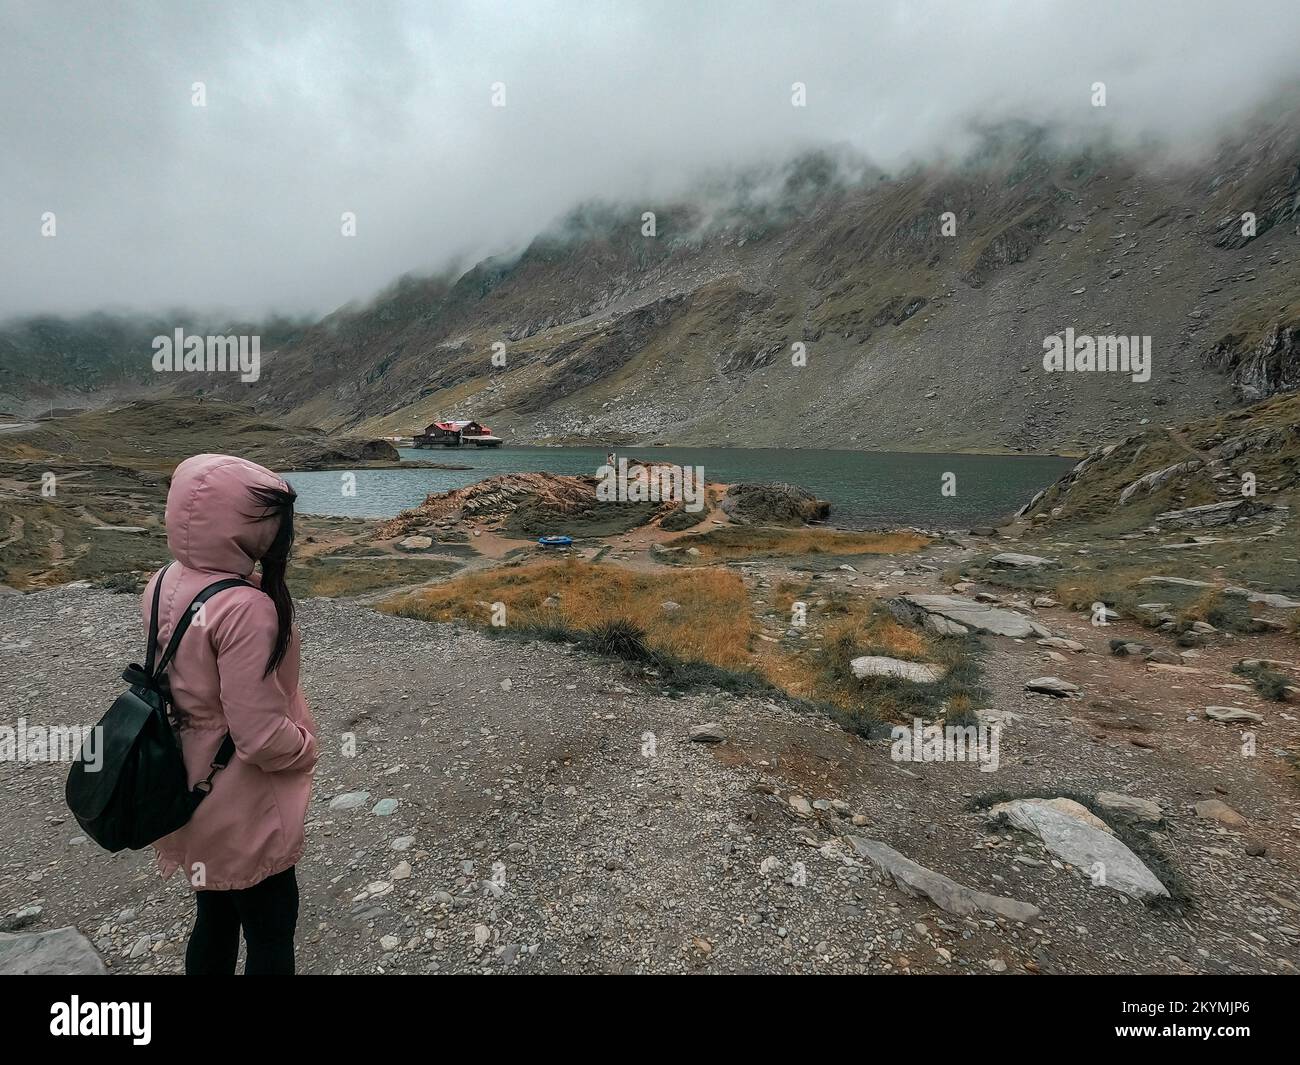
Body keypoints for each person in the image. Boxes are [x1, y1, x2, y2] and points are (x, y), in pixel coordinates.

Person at [141, 453, 318, 975]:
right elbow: (260, 736)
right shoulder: (246, 607)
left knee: (214, 916)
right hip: (240, 795)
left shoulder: (165, 580)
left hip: (185, 778)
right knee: (270, 932)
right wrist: (306, 747)